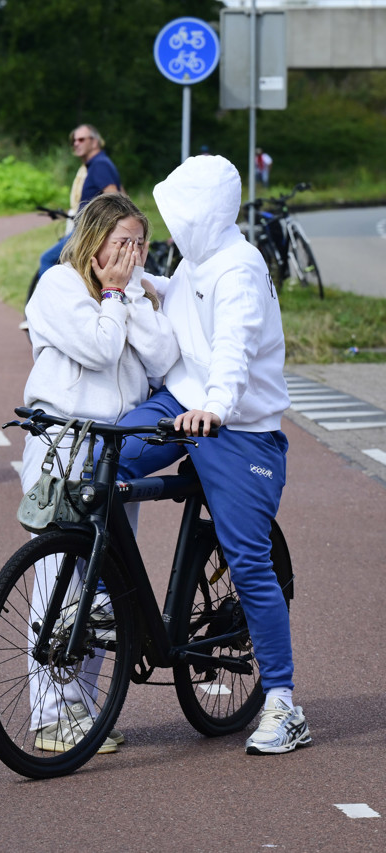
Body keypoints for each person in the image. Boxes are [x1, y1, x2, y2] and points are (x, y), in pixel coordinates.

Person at [114, 155, 306, 756]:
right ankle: (104, 592)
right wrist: (155, 285)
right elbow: (191, 299)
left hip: (239, 427)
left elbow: (234, 346)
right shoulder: (199, 257)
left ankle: (282, 702)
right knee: (105, 458)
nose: (170, 224)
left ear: (203, 214)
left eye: (178, 211)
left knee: (248, 563)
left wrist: (217, 407)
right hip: (181, 402)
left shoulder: (241, 270)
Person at [20, 192, 178, 754]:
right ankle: (47, 713)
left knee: (103, 590)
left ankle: (83, 708)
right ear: (94, 243)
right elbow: (98, 349)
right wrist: (114, 295)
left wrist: (132, 295)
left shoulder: (130, 293)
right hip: (66, 446)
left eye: (141, 243)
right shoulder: (60, 288)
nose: (134, 253)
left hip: (117, 449)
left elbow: (164, 360)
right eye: (123, 243)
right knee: (61, 581)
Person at [35, 125, 122, 284]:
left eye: (81, 139)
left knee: (47, 259)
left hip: (86, 232)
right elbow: (124, 195)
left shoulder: (99, 165)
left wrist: (99, 227)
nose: (76, 143)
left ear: (95, 142)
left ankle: (51, 302)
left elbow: (115, 198)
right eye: (74, 140)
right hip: (89, 229)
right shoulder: (103, 163)